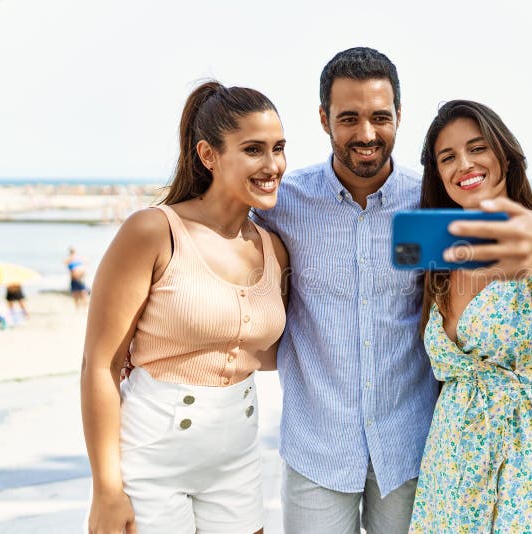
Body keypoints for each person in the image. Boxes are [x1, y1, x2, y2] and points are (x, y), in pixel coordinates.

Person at [81, 80, 288, 534]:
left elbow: (268, 350)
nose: (272, 165)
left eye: (278, 148)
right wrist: (106, 490)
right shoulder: (153, 231)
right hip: (153, 456)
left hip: (238, 452)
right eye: (253, 149)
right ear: (208, 155)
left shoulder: (273, 247)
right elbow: (101, 365)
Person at [253, 47, 438, 533]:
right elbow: (213, 229)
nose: (366, 134)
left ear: (399, 115)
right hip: (318, 447)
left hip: (410, 444)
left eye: (380, 117)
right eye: (349, 118)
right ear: (323, 118)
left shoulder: (428, 206)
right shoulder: (283, 202)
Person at [408, 100, 532, 532]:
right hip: (451, 472)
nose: (464, 164)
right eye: (447, 157)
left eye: (478, 148)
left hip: (531, 464)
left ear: (504, 155)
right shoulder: (441, 261)